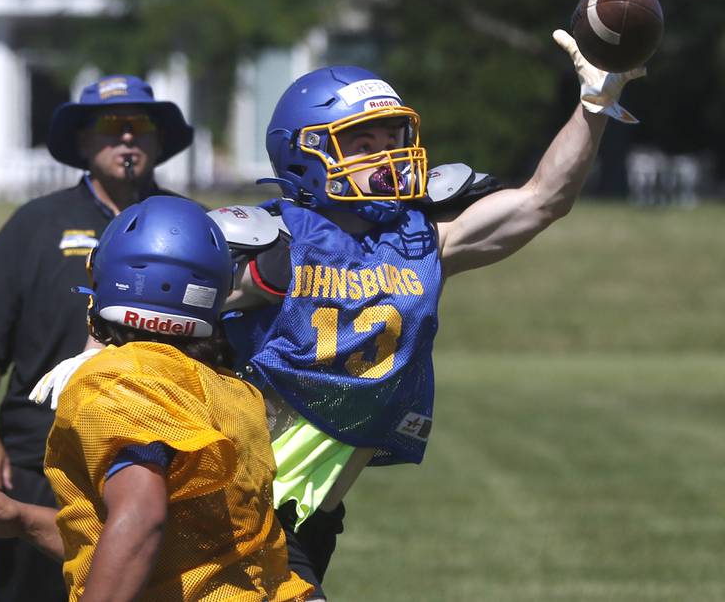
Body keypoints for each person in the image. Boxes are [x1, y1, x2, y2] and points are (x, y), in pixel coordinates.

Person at [206, 29, 647, 597]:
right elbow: (155, 295)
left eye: (394, 137)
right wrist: (96, 353)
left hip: (310, 513)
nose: (388, 156)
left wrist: (593, 105)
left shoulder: (419, 241)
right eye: (363, 144)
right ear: (305, 153)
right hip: (239, 501)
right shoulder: (282, 242)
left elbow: (544, 199)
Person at [0, 196, 312, 602]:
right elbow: (175, 549)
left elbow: (139, 519)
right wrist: (23, 520)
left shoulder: (119, 379)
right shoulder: (227, 390)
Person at [0, 74, 196, 602]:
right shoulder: (36, 223)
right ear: (81, 141)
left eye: (140, 125)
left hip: (158, 454)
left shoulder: (189, 227)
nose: (127, 138)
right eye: (110, 126)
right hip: (43, 458)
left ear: (158, 139)